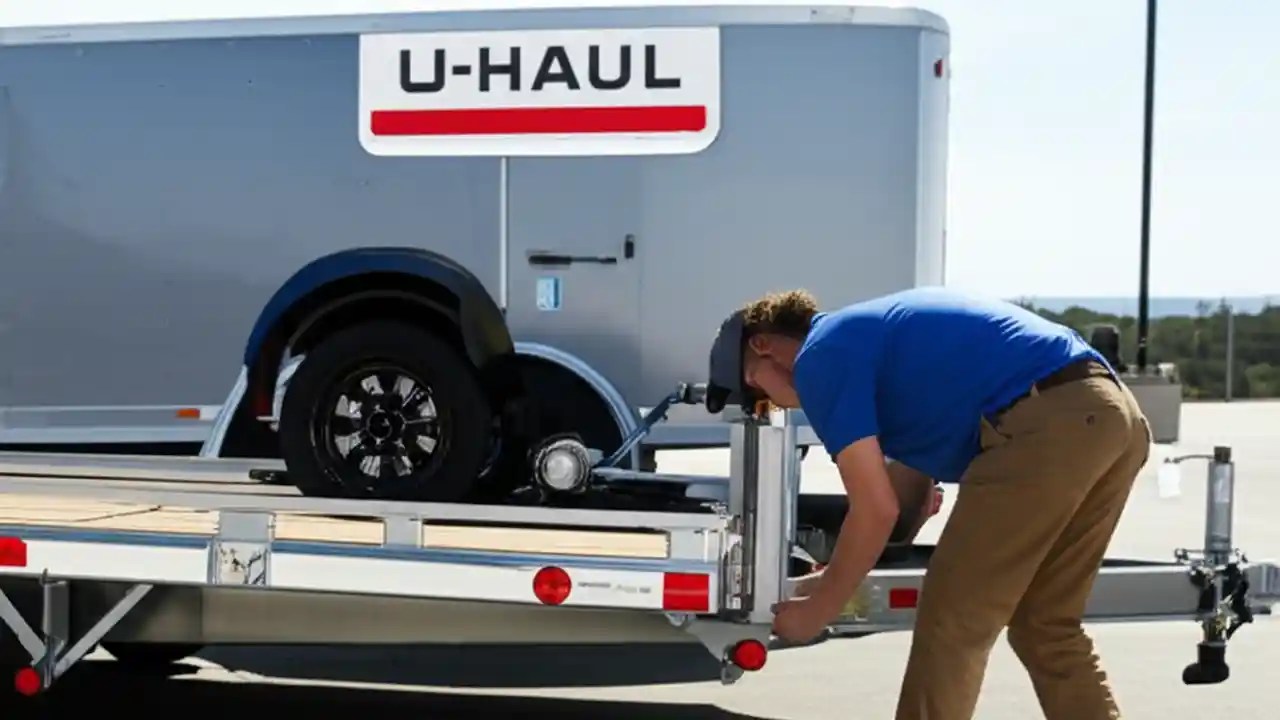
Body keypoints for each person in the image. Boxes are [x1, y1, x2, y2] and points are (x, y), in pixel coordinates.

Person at [704, 286, 1151, 720]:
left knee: (952, 623)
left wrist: (818, 613)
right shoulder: (870, 338)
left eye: (752, 390)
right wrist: (829, 581)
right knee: (1044, 626)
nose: (765, 405)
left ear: (763, 346)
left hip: (1048, 424)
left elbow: (876, 509)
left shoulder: (819, 357)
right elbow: (903, 500)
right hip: (1111, 416)